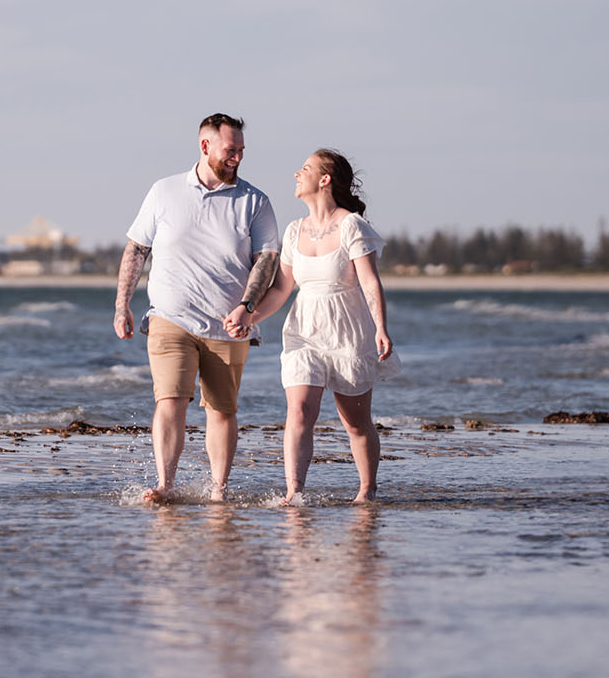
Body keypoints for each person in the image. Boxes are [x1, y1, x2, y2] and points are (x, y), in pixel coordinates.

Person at [115, 113, 281, 503]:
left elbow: (267, 260)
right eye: (230, 150)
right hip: (170, 318)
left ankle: (219, 490)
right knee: (170, 399)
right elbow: (137, 249)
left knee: (222, 410)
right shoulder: (164, 191)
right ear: (205, 146)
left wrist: (246, 307)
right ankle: (165, 484)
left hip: (229, 324)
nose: (237, 157)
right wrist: (122, 304)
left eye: (241, 150)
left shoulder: (254, 201)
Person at [231, 149, 398, 503]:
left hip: (348, 332)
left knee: (355, 422)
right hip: (304, 330)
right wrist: (249, 316)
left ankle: (367, 490)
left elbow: (370, 283)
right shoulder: (294, 231)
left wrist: (381, 328)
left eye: (305, 169)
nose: (296, 173)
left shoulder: (352, 225)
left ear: (324, 179)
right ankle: (295, 491)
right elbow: (281, 290)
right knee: (300, 410)